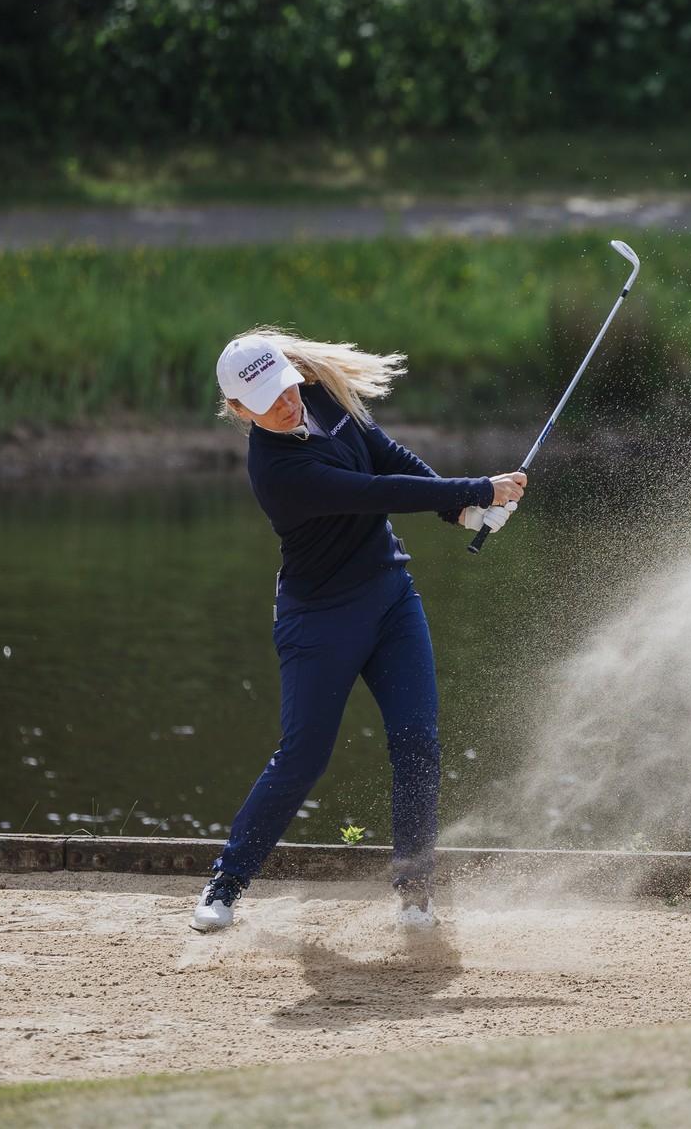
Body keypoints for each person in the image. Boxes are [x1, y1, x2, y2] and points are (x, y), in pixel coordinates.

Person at [190, 328, 525, 932]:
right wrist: (477, 488)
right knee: (303, 757)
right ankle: (227, 882)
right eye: (268, 400)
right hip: (320, 618)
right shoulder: (277, 472)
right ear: (239, 411)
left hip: (391, 597)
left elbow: (387, 457)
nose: (287, 403)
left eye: (287, 388)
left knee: (417, 740)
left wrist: (461, 511)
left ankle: (416, 894)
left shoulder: (320, 396)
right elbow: (372, 493)